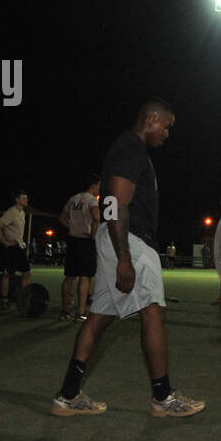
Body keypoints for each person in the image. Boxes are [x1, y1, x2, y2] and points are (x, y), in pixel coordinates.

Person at [49, 100, 204, 418]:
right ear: (151, 119)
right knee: (153, 312)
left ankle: (68, 395)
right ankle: (163, 397)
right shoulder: (131, 148)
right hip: (129, 240)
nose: (167, 134)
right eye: (166, 126)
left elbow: (110, 205)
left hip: (118, 238)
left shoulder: (128, 149)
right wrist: (124, 257)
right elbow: (115, 203)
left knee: (99, 317)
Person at [59, 177, 101, 321]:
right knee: (85, 277)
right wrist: (92, 234)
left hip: (73, 240)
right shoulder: (92, 200)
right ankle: (80, 312)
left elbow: (62, 218)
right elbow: (96, 218)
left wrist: (71, 227)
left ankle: (64, 311)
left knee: (69, 276)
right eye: (99, 186)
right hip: (86, 241)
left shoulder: (73, 199)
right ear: (93, 186)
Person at [0, 192, 32, 311]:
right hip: (10, 248)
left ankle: (22, 299)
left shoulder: (23, 213)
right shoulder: (11, 212)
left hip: (19, 247)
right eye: (24, 198)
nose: (26, 200)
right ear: (17, 200)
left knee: (26, 273)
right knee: (7, 274)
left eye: (26, 198)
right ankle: (4, 301)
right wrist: (5, 242)